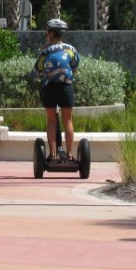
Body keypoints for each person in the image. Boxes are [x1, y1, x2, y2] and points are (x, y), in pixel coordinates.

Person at [31, 18, 80, 162]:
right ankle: (70, 155)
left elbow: (36, 72)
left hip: (49, 88)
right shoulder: (71, 50)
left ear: (51, 33)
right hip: (66, 88)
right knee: (68, 121)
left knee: (52, 121)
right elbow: (75, 68)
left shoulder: (45, 52)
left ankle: (53, 155)